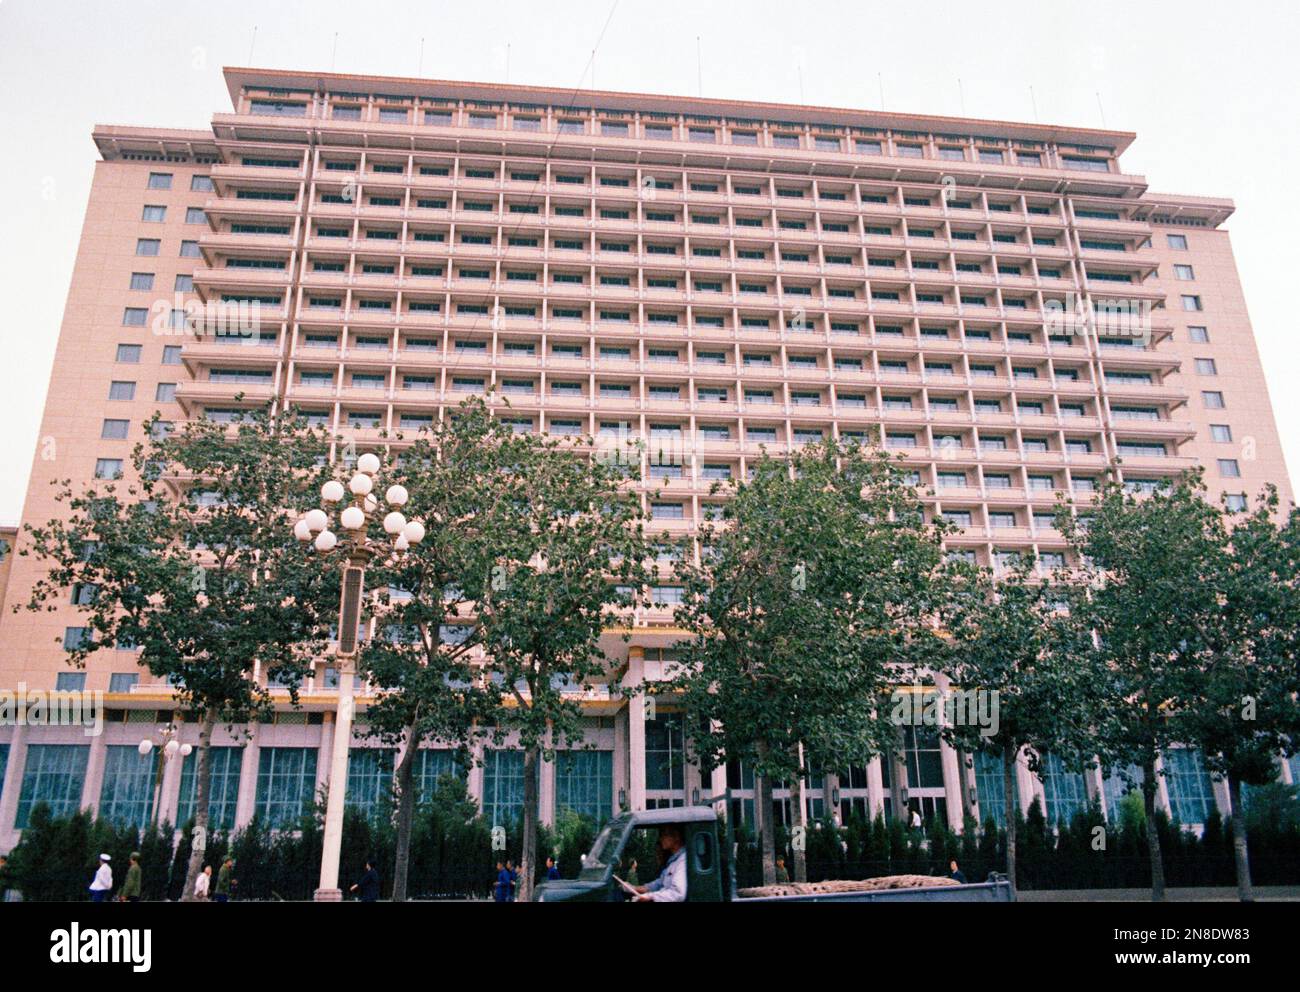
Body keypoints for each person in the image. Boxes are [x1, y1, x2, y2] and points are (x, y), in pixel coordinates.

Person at [632, 825, 687, 902]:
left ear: (677, 837)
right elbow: (658, 884)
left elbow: (678, 893)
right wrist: (633, 888)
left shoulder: (683, 861)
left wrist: (650, 896)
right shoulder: (673, 861)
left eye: (664, 835)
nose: (660, 839)